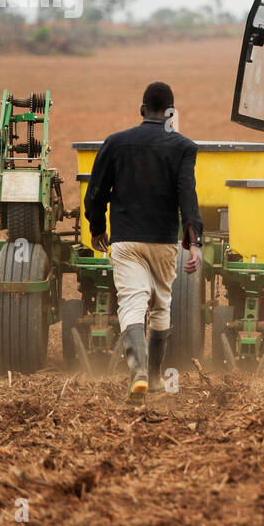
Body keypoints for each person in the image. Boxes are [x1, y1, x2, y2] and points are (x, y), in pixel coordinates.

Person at [84, 82, 203, 401]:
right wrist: (194, 241)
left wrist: (96, 227)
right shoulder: (184, 147)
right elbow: (187, 196)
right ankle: (152, 378)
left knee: (132, 303)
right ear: (171, 113)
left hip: (126, 240)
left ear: (141, 110)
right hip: (163, 243)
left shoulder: (116, 143)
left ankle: (137, 372)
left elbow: (96, 193)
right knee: (161, 305)